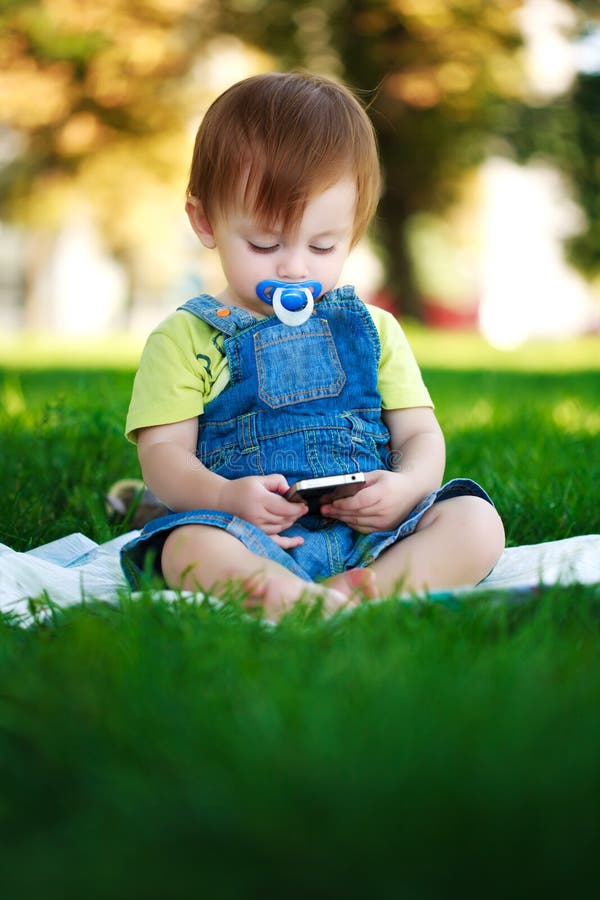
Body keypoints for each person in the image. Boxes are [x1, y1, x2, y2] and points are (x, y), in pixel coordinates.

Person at [120, 71, 505, 620]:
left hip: (372, 537)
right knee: (186, 547)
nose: (295, 268)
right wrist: (225, 498)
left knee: (476, 521)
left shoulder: (374, 330)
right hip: (249, 535)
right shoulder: (185, 338)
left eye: (323, 246)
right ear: (205, 221)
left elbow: (420, 434)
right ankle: (294, 597)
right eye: (264, 243)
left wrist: (405, 487)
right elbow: (163, 456)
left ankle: (359, 592)